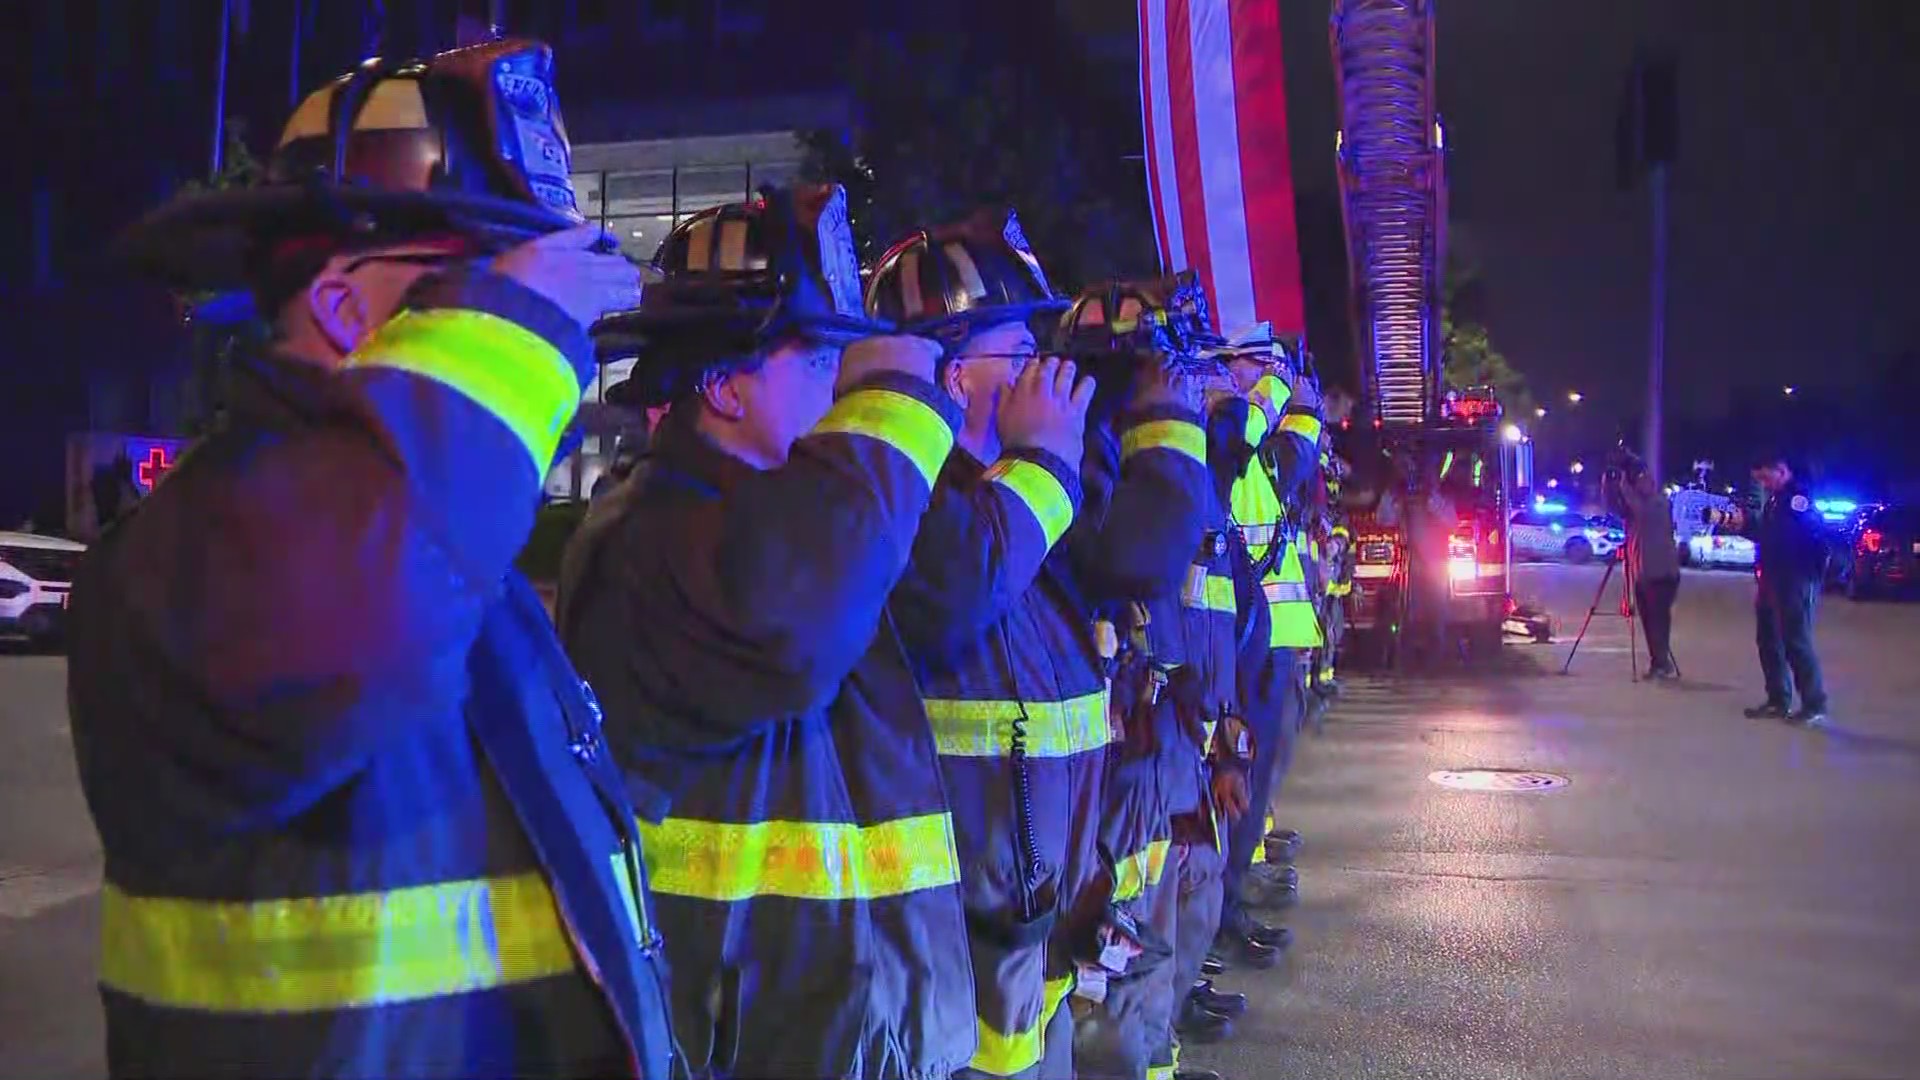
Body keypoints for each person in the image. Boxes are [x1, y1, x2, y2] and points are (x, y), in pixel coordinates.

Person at [70, 40, 676, 1078]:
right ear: (345, 304)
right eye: (484, 285)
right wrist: (513, 337)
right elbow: (360, 625)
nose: (536, 328)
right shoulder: (196, 554)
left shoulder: (444, 536)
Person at [558, 185, 979, 1079]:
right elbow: (790, 618)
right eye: (819, 358)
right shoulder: (648, 540)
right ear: (721, 384)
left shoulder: (781, 520)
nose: (842, 385)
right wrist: (898, 397)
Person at [865, 209, 1103, 1080]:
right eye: (1020, 352)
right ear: (957, 375)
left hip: (1033, 929)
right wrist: (1045, 460)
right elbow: (951, 596)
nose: (1044, 371)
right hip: (960, 938)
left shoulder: (1011, 498)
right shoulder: (910, 497)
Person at [1055, 274, 1239, 1080]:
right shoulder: (1100, 464)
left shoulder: (1150, 460)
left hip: (1162, 752)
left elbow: (1188, 622)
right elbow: (1139, 569)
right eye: (1173, 366)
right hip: (1121, 768)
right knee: (1115, 976)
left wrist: (1220, 733)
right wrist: (1166, 428)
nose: (1190, 384)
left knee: (1147, 958)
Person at [1201, 324, 1322, 982]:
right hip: (1241, 643)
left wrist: (1301, 404)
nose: (1264, 374)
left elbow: (1292, 457)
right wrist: (1285, 388)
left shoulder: (1247, 433)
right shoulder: (1225, 423)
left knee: (1252, 782)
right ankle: (1216, 921)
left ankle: (1226, 908)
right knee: (1230, 788)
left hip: (1265, 638)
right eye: (1256, 362)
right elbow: (1268, 441)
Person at [1728, 453, 1831, 725]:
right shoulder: (1775, 500)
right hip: (1772, 578)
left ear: (1781, 470)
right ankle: (1778, 699)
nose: (1763, 484)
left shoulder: (1798, 500)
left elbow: (1787, 537)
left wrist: (1753, 525)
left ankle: (1814, 703)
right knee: (1768, 640)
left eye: (1765, 477)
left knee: (1796, 640)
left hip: (1796, 578)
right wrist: (1744, 525)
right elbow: (1769, 533)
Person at [1609, 452, 1681, 678]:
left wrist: (1623, 482)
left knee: (1658, 620)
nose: (1641, 484)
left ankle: (1661, 664)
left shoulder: (1659, 504)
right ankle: (1658, 662)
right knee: (1649, 620)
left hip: (1662, 574)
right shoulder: (1640, 508)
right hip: (1644, 573)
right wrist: (1611, 485)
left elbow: (1636, 505)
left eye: (1643, 480)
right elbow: (1620, 509)